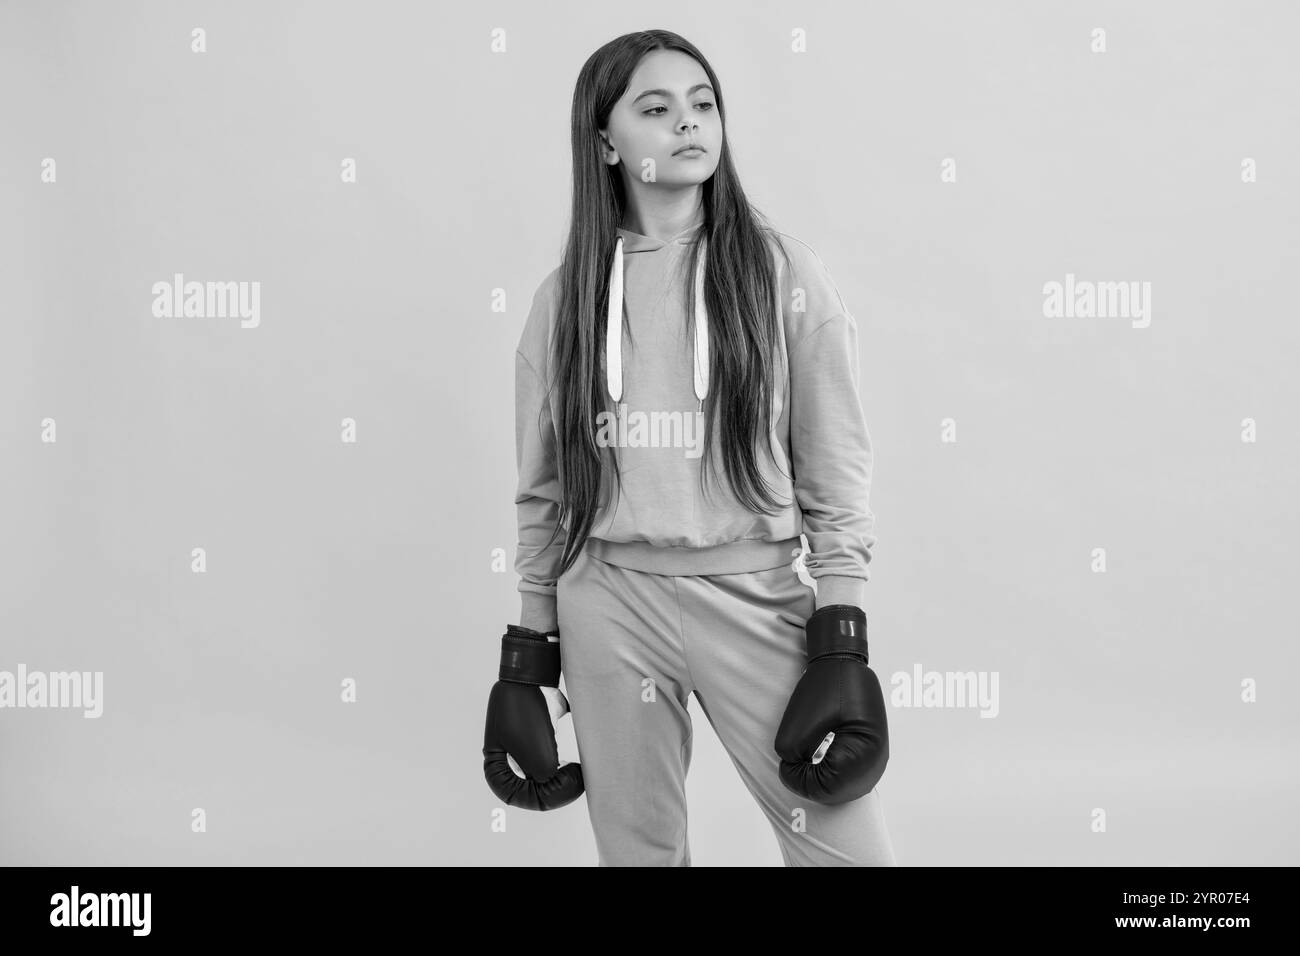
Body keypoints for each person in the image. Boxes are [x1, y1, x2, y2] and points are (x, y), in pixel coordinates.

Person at [483, 29, 896, 867]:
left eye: (703, 104)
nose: (688, 124)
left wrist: (841, 630)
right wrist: (527, 658)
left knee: (847, 855)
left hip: (753, 597)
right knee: (639, 859)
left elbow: (835, 461)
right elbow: (544, 493)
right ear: (605, 142)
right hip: (609, 604)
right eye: (657, 108)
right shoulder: (563, 301)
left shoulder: (781, 275)